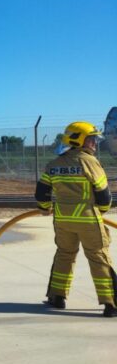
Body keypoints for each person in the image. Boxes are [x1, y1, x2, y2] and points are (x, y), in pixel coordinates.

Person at [35, 122, 115, 317]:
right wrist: (101, 211)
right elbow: (104, 196)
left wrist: (45, 208)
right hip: (88, 220)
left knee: (64, 254)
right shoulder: (89, 161)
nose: (95, 143)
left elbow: (42, 192)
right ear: (78, 140)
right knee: (98, 257)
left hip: (63, 221)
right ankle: (111, 303)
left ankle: (57, 296)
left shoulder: (54, 164)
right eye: (91, 139)